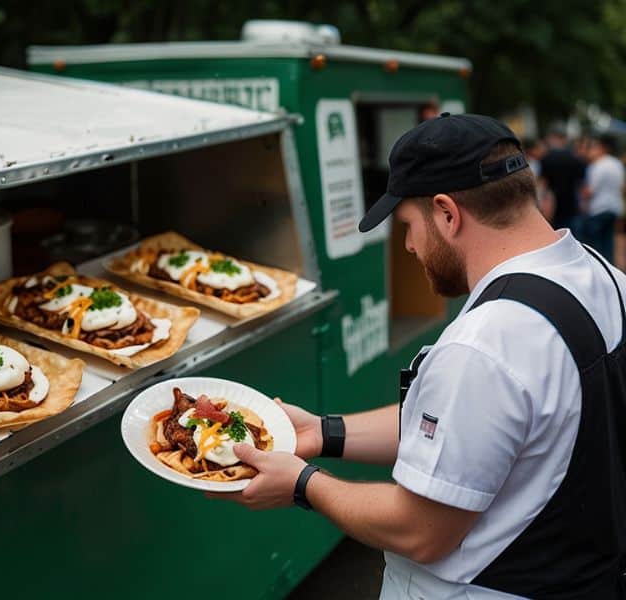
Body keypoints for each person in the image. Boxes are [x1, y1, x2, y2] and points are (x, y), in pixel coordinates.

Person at [212, 114, 626, 598]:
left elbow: (420, 531)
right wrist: (321, 433)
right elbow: (469, 429)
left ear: (448, 214)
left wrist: (303, 485)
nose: (408, 245)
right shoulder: (606, 279)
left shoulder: (485, 344)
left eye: (407, 225)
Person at [577, 133, 625, 262]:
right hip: (615, 207)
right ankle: (610, 267)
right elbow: (622, 187)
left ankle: (599, 269)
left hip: (598, 209)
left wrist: (582, 194)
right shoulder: (617, 164)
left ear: (601, 148)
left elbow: (590, 191)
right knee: (608, 243)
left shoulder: (597, 166)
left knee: (595, 245)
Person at [540, 126, 586, 230]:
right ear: (564, 139)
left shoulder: (546, 158)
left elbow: (543, 183)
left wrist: (543, 201)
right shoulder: (576, 158)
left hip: (553, 206)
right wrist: (583, 203)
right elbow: (581, 185)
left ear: (553, 138)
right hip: (572, 205)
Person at [523, 137, 555, 221]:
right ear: (531, 150)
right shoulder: (528, 164)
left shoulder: (536, 163)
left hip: (536, 201)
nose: (542, 151)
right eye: (538, 148)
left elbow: (541, 183)